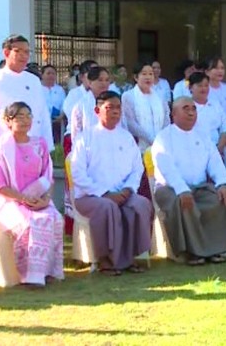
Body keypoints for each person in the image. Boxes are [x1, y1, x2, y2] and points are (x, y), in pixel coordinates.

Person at [69, 91, 153, 274]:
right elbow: (78, 174)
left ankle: (130, 258)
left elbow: (137, 168)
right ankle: (106, 260)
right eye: (109, 107)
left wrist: (129, 190)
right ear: (97, 110)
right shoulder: (85, 138)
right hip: (90, 196)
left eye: (118, 108)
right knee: (107, 207)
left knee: (141, 204)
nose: (115, 112)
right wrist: (105, 193)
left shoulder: (126, 137)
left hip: (123, 193)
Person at [151, 96, 226, 265]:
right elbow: (167, 169)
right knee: (185, 203)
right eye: (186, 108)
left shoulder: (202, 135)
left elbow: (215, 162)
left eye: (193, 108)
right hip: (170, 189)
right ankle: (193, 252)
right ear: (174, 114)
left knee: (219, 198)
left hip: (199, 186)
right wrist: (182, 189)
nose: (191, 112)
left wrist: (223, 183)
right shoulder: (163, 137)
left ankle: (216, 248)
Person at [0, 102, 64, 286]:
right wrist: (23, 198)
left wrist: (44, 200)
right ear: (8, 121)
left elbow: (47, 177)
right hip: (8, 200)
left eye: (28, 116)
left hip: (38, 199)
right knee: (32, 223)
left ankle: (47, 272)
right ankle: (30, 276)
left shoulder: (40, 144)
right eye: (19, 116)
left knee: (53, 217)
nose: (25, 120)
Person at [0, 35, 53, 151]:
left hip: (34, 145)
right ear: (6, 53)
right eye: (18, 51)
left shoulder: (34, 80)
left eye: (27, 52)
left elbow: (42, 114)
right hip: (6, 147)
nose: (24, 56)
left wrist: (48, 146)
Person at [122, 61, 171, 200]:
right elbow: (130, 123)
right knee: (143, 189)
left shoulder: (159, 97)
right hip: (140, 148)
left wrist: (161, 140)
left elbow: (167, 119)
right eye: (144, 74)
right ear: (136, 77)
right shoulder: (128, 96)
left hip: (160, 148)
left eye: (150, 74)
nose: (148, 77)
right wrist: (151, 138)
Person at [190, 72, 226, 155]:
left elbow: (225, 125)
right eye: (200, 85)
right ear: (190, 87)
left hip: (216, 149)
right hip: (194, 151)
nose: (204, 89)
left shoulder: (215, 104)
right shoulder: (186, 106)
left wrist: (220, 146)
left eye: (206, 85)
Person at [69, 66, 112, 142]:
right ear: (90, 82)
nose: (104, 83)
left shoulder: (114, 102)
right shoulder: (80, 105)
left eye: (107, 80)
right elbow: (76, 134)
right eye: (100, 80)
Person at [41, 65, 66, 144]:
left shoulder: (60, 89)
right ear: (42, 75)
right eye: (48, 73)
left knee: (57, 145)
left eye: (53, 73)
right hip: (42, 122)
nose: (51, 76)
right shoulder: (37, 88)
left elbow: (64, 104)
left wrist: (61, 115)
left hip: (57, 122)